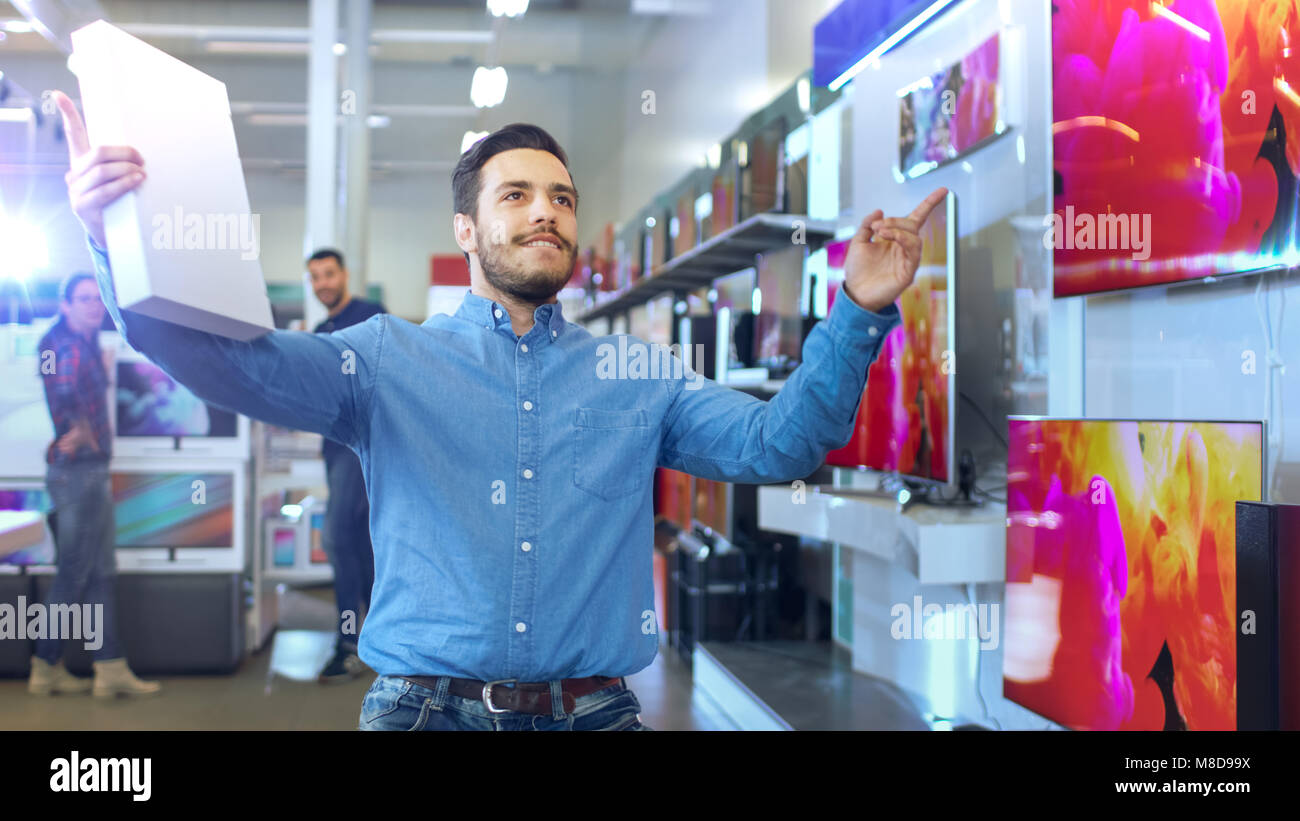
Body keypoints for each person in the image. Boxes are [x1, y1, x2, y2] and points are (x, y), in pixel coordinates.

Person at [52, 90, 944, 730]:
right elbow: (223, 362)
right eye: (515, 195)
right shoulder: (383, 358)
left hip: (594, 711)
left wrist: (860, 309)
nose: (545, 212)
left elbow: (780, 443)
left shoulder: (639, 372)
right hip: (422, 712)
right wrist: (112, 240)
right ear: (468, 231)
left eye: (560, 197)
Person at [28, 271, 161, 698]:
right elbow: (65, 389)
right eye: (82, 299)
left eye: (96, 298)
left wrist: (100, 375)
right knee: (74, 574)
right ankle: (44, 668)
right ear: (65, 305)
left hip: (88, 471)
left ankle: (110, 668)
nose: (93, 305)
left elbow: (72, 384)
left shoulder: (75, 342)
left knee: (102, 572)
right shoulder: (67, 344)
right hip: (79, 472)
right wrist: (79, 427)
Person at [306, 248, 386, 682]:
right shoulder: (320, 331)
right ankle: (374, 639)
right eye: (315, 277)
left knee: (336, 538)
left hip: (363, 445)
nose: (323, 283)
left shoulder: (370, 314)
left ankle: (349, 642)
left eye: (329, 274)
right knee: (355, 542)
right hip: (336, 448)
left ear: (345, 274)